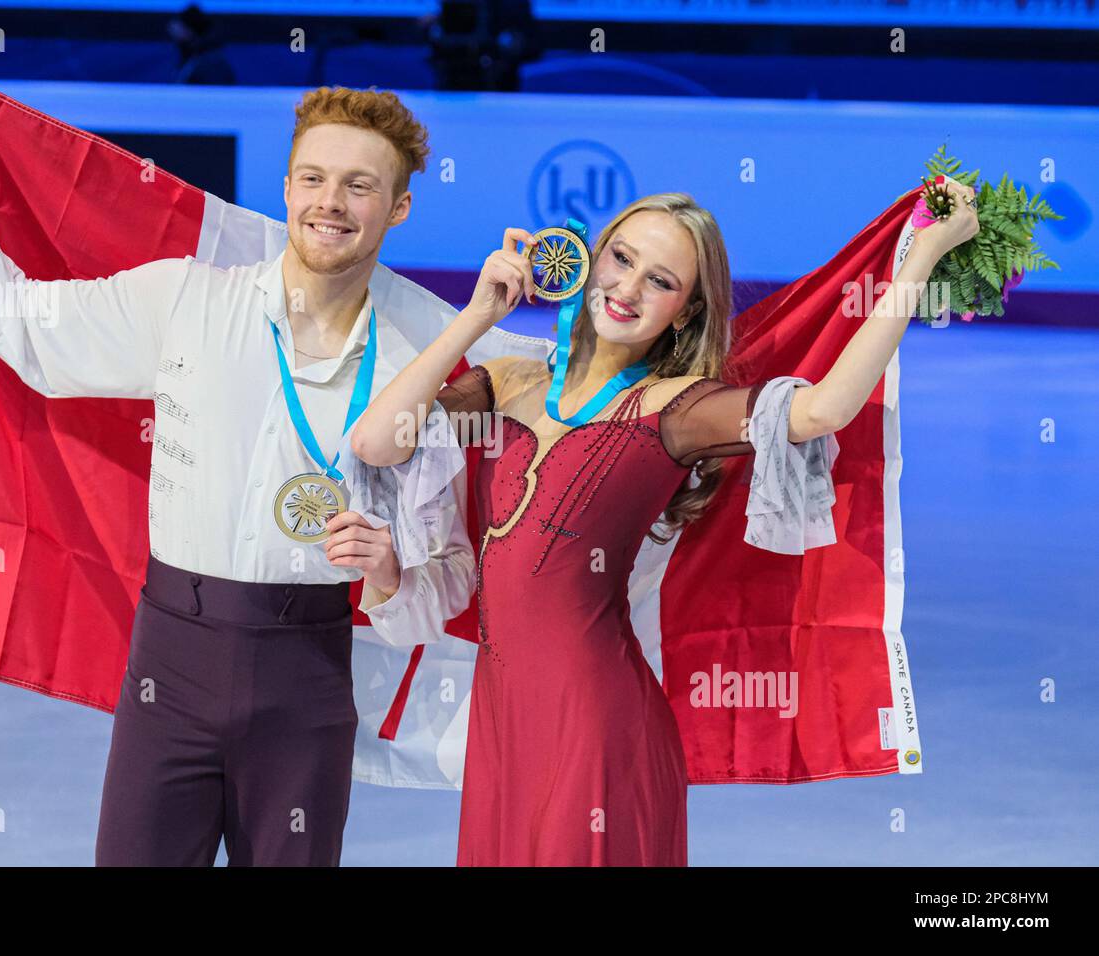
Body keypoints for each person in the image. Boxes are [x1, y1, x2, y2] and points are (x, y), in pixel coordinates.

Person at [0, 66, 478, 866]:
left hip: (306, 672)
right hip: (169, 662)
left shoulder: (413, 371)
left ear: (399, 206)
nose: (330, 202)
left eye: (359, 186)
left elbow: (443, 583)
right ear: (287, 186)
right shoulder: (187, 302)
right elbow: (23, 326)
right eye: (313, 178)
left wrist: (391, 578)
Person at [349, 184, 978, 865]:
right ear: (589, 259)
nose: (627, 289)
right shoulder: (507, 382)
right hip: (503, 723)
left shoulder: (678, 410)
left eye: (662, 281)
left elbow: (822, 412)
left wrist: (917, 261)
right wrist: (476, 316)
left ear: (685, 313)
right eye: (620, 258)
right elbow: (376, 444)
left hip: (597, 722)